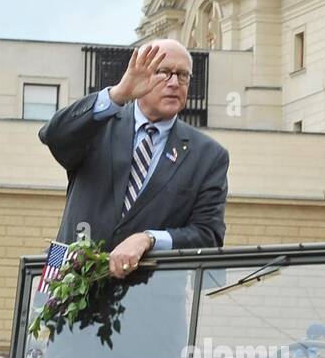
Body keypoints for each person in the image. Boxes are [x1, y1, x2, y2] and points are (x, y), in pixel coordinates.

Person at [38, 39, 230, 279]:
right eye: (163, 72)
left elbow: (207, 235)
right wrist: (117, 95)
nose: (174, 83)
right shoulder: (99, 125)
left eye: (183, 75)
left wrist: (149, 239)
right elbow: (53, 135)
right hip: (64, 285)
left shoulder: (208, 156)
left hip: (147, 299)